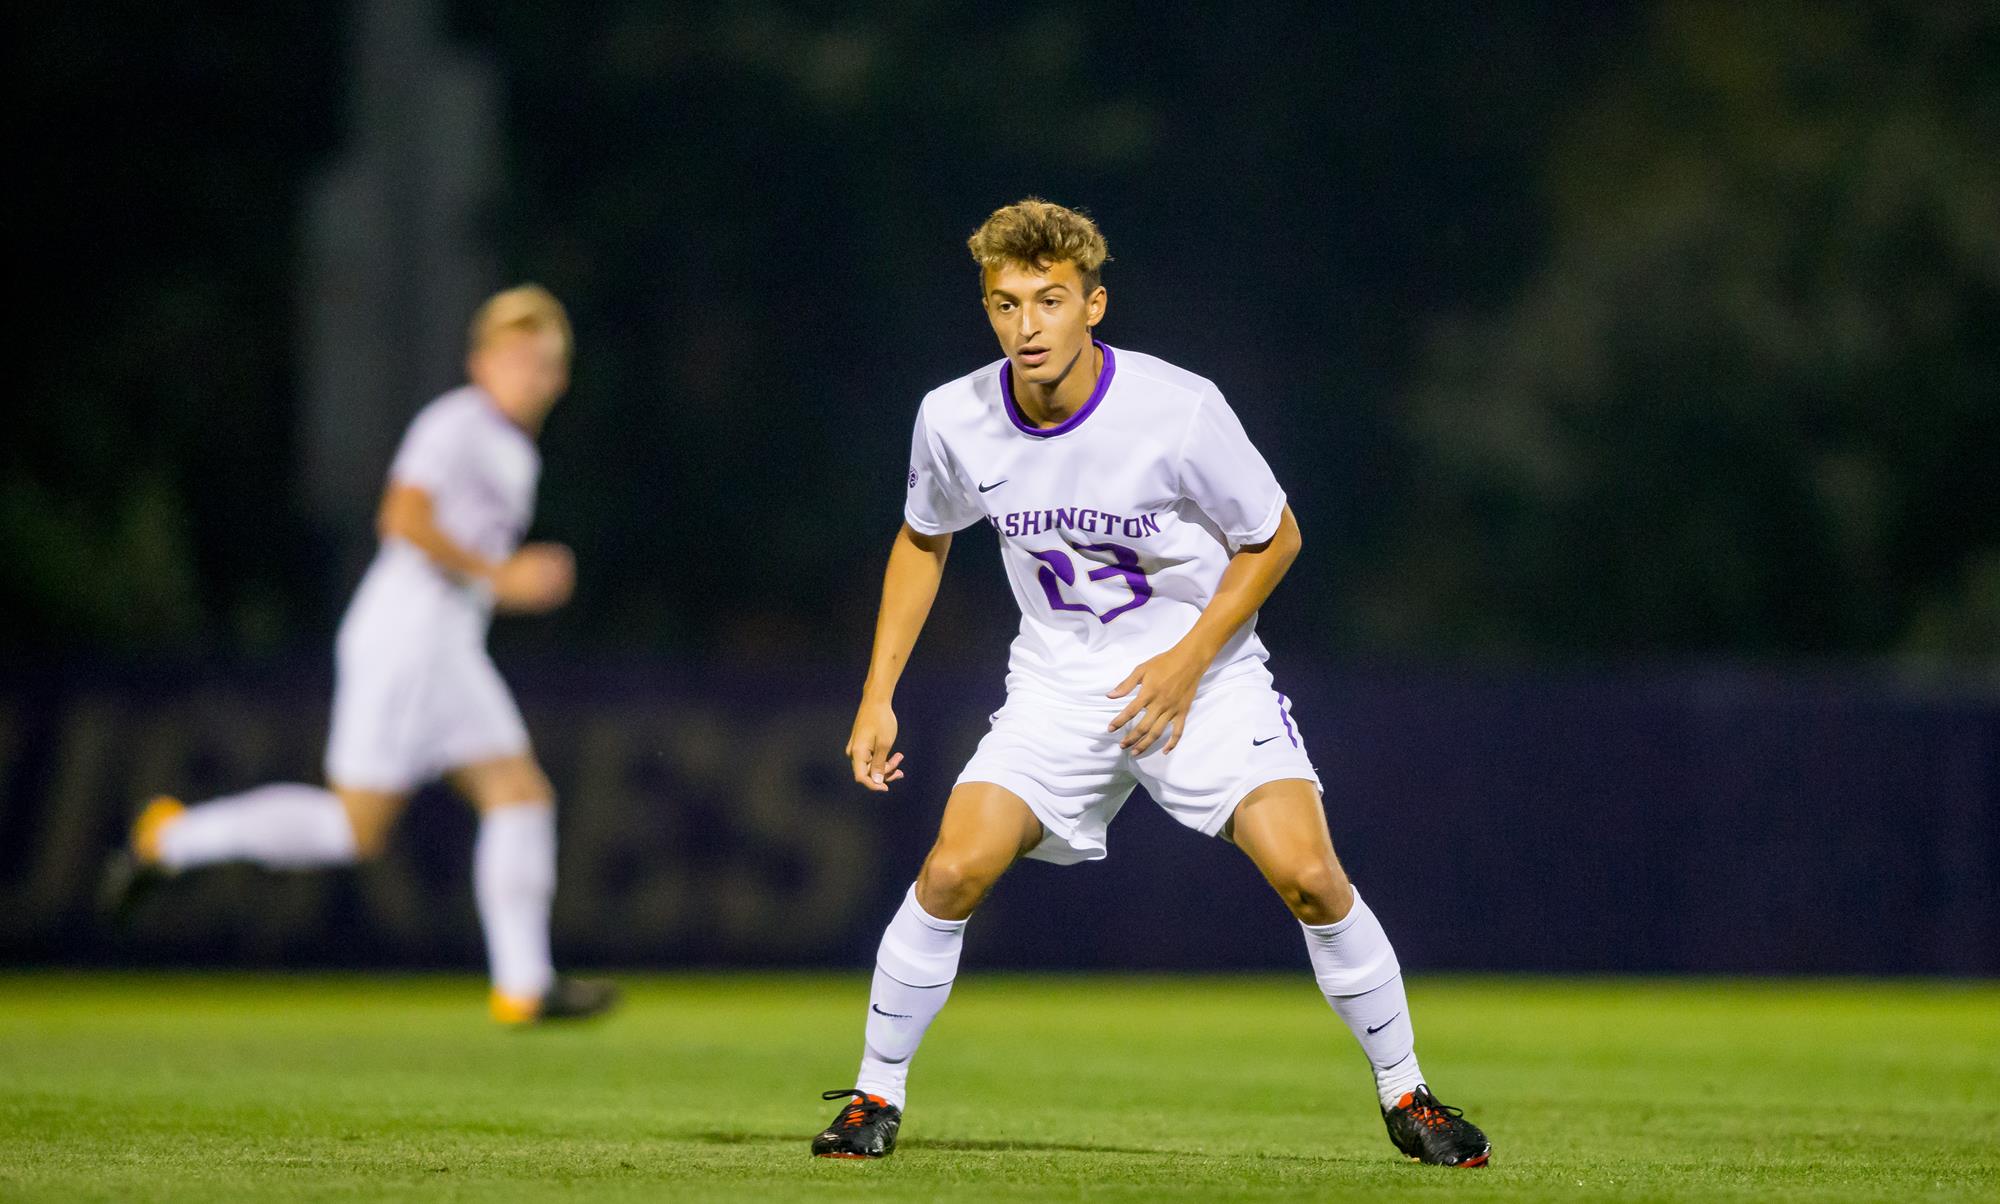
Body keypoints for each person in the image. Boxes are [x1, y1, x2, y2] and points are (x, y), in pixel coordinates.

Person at [811, 200, 1490, 1166]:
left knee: (1310, 878)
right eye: (1006, 304)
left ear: (1094, 305)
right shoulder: (953, 416)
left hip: (1205, 681)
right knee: (952, 870)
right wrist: (877, 695)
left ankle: (1408, 1094)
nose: (1027, 325)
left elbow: (1275, 536)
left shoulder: (1178, 408)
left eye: (1050, 300)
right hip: (1058, 690)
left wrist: (1185, 661)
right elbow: (924, 540)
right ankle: (875, 1097)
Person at [100, 285, 616, 1027]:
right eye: (517, 358)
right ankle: (172, 838)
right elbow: (401, 517)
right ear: (480, 364)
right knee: (363, 826)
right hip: (409, 643)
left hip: (441, 642)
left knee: (511, 796)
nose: (532, 375)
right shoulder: (457, 424)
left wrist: (505, 582)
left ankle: (525, 986)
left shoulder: (511, 448)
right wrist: (502, 575)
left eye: (545, 363)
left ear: (560, 378)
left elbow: (458, 562)